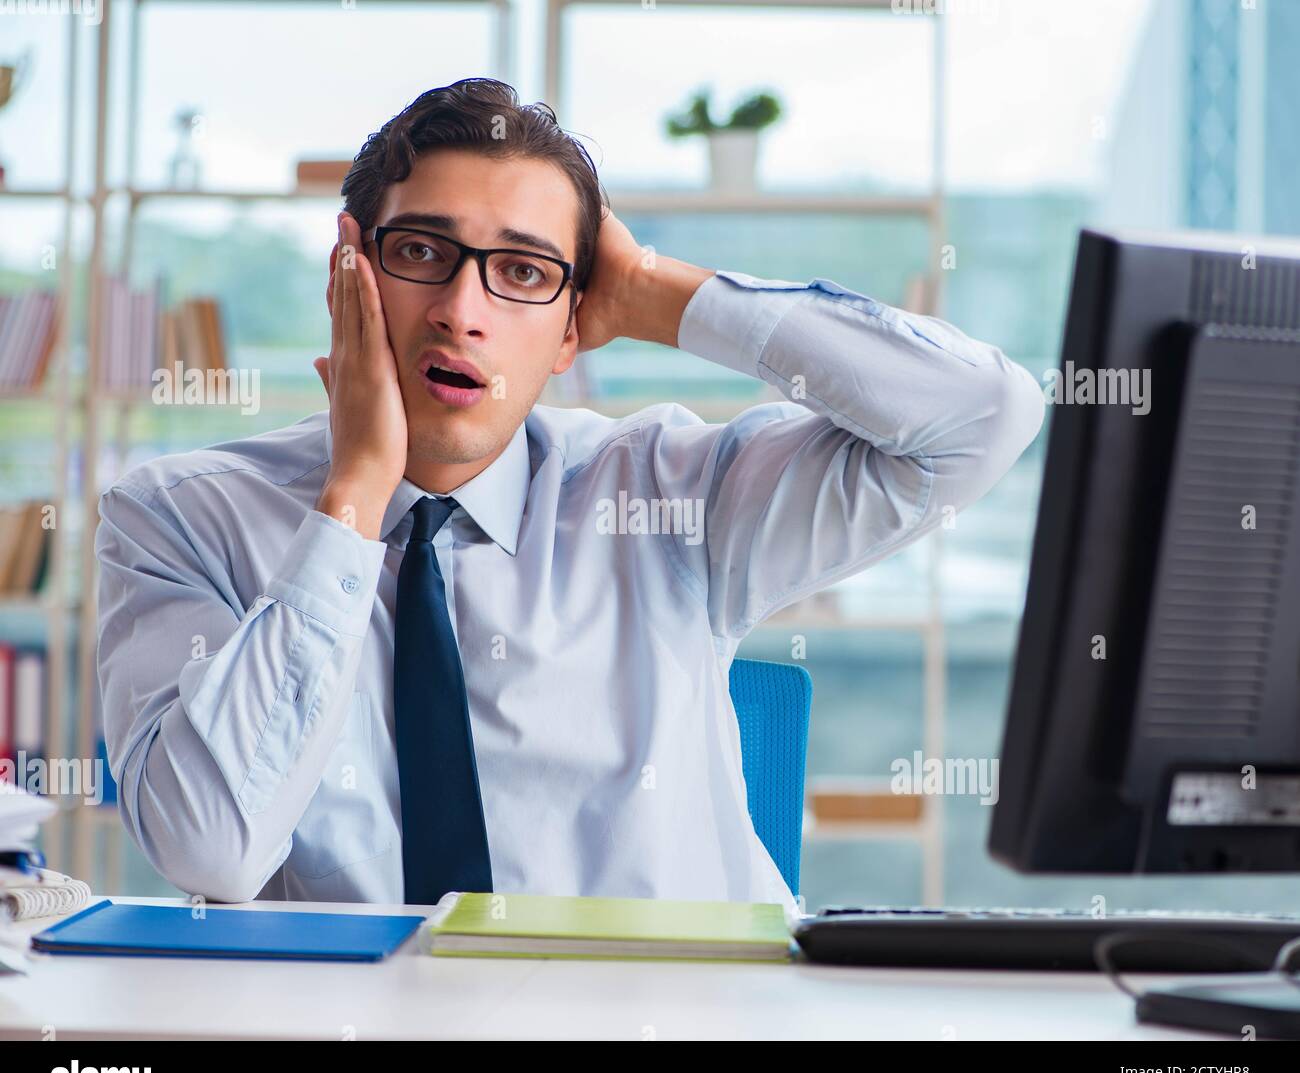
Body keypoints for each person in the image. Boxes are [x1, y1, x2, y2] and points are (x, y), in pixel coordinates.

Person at [95, 78, 1044, 916]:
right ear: (351, 271)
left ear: (568, 335)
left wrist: (653, 292)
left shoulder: (670, 493)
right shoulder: (177, 517)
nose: (462, 312)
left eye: (523, 272)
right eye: (423, 251)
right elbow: (211, 848)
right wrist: (352, 499)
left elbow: (983, 414)